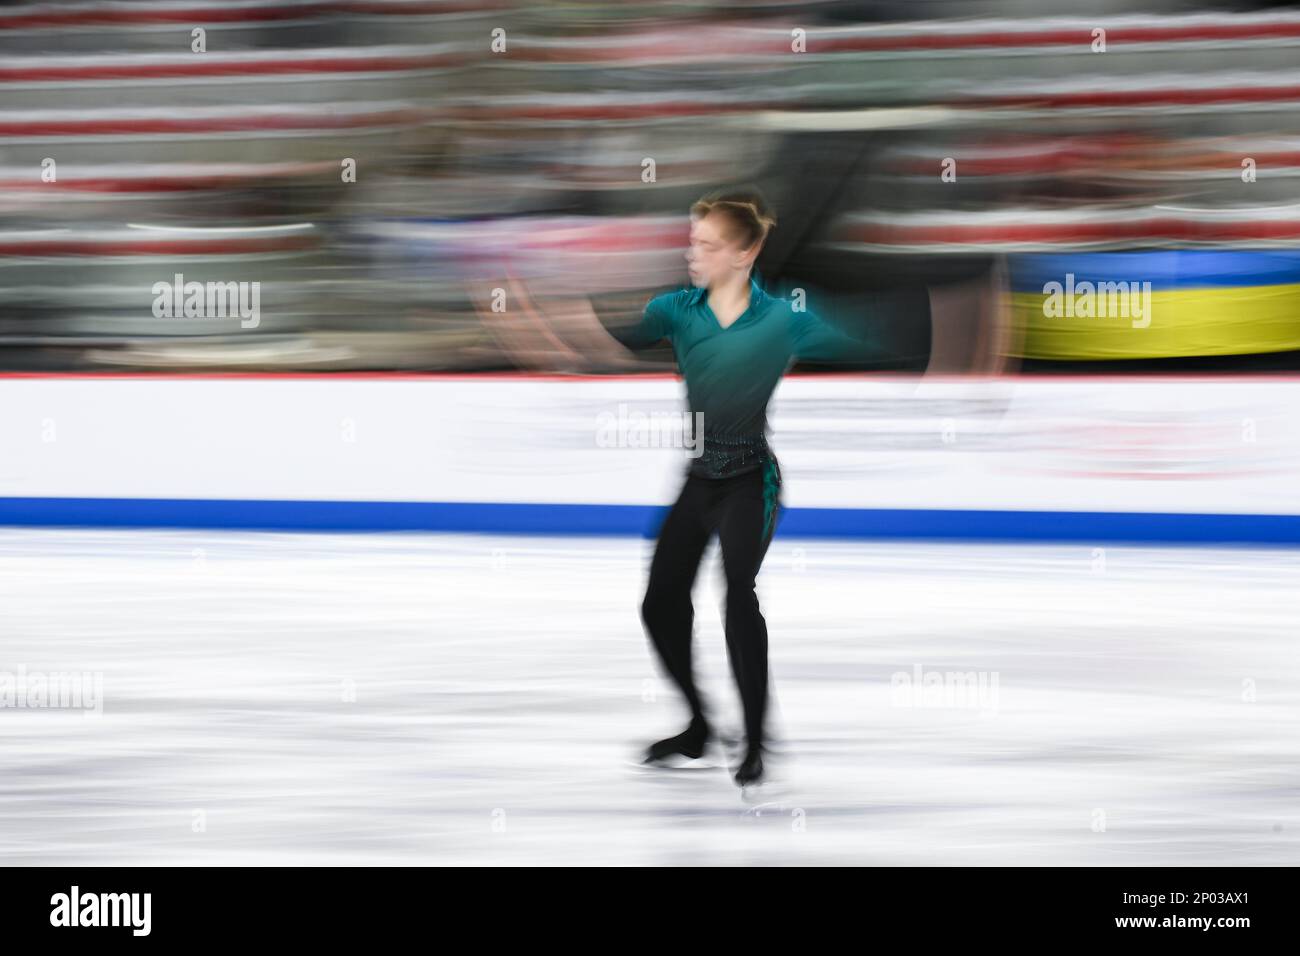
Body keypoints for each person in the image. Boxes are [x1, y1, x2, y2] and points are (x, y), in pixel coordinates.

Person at [605, 186, 889, 788]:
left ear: (744, 253)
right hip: (698, 480)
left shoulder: (784, 319)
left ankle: (756, 741)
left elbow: (864, 343)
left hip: (751, 482)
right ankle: (700, 726)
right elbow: (612, 341)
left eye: (706, 245)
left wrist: (944, 335)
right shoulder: (675, 309)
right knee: (659, 602)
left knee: (738, 596)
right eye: (692, 242)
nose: (692, 253)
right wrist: (553, 328)